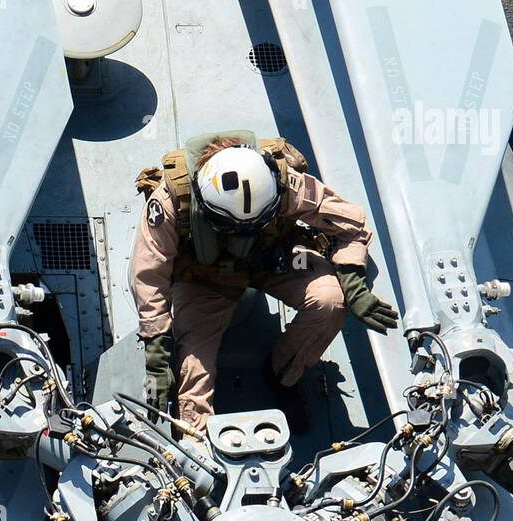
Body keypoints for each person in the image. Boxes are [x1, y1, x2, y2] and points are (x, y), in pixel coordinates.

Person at [131, 131, 397, 433]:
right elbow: (148, 272)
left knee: (331, 301)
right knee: (193, 372)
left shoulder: (282, 181)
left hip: (276, 260)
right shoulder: (170, 200)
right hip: (206, 280)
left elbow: (349, 222)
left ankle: (282, 373)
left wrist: (352, 280)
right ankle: (197, 447)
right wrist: (157, 352)